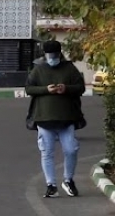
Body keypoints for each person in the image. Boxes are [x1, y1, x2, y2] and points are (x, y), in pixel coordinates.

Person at [25, 39, 86, 198]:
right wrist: (46, 89)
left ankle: (68, 180)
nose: (52, 57)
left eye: (55, 54)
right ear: (45, 55)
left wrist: (66, 88)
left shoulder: (69, 68)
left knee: (71, 150)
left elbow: (81, 87)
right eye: (49, 55)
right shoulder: (38, 69)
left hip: (67, 119)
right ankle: (51, 185)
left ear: (60, 54)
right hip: (44, 119)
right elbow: (29, 88)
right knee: (47, 153)